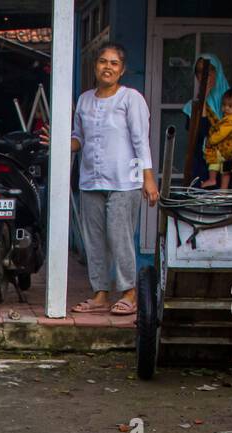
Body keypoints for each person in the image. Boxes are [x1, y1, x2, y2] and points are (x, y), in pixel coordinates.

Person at [45, 43, 158, 316]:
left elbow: (140, 140)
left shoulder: (131, 98)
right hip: (91, 181)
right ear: (95, 66)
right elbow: (79, 139)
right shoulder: (84, 99)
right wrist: (59, 142)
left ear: (122, 70)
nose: (107, 67)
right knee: (93, 239)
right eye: (103, 62)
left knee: (119, 238)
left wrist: (149, 178)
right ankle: (100, 294)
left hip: (124, 181)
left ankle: (130, 293)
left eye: (114, 63)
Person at [183, 54, 232, 190]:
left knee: (228, 209)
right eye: (200, 72)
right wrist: (202, 101)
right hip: (203, 172)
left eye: (209, 71)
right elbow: (201, 135)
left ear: (217, 72)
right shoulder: (192, 107)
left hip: (230, 171)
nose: (204, 76)